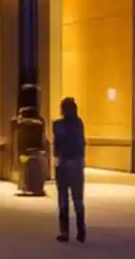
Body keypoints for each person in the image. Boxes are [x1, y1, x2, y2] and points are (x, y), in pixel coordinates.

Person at [53, 97, 86, 244]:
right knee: (77, 198)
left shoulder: (58, 125)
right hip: (76, 163)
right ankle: (81, 229)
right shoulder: (79, 124)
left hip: (63, 163)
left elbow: (56, 147)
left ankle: (64, 232)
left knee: (63, 198)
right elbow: (81, 144)